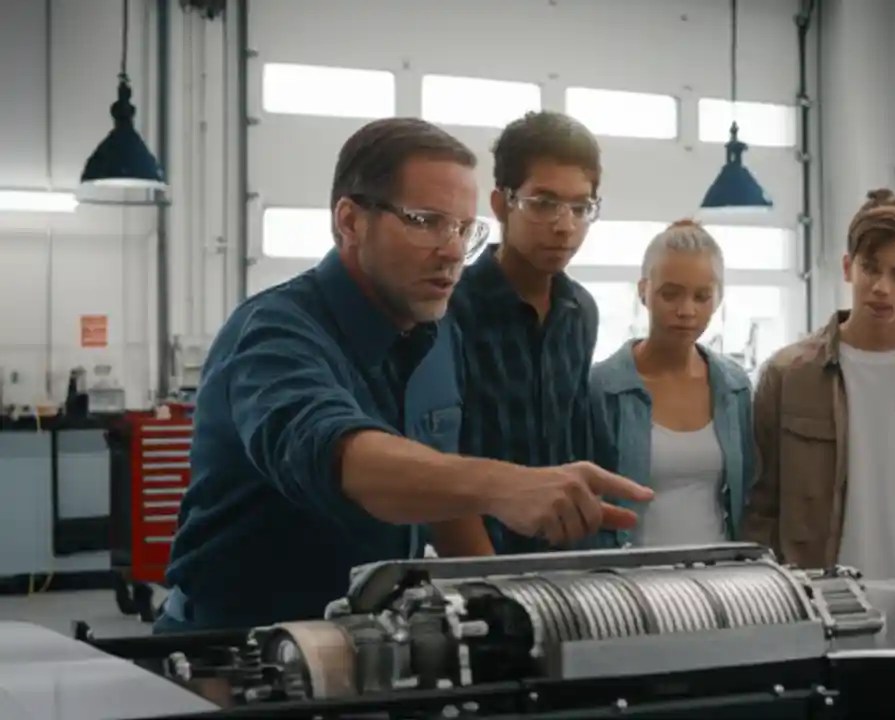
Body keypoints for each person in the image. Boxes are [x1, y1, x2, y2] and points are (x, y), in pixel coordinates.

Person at [156, 118, 651, 632]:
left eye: (463, 228)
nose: (453, 251)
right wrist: (504, 485)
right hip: (238, 648)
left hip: (366, 644)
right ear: (350, 221)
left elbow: (442, 494)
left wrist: (504, 609)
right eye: (425, 221)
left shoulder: (436, 333)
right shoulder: (274, 334)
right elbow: (338, 455)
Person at [742, 189, 895, 578]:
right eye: (870, 268)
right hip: (819, 596)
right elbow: (761, 505)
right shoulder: (787, 374)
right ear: (848, 267)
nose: (881, 287)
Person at [449, 111, 607, 554]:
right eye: (543, 203)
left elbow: (575, 438)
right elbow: (439, 455)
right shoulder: (452, 309)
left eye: (581, 208)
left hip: (564, 559)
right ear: (501, 204)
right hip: (476, 560)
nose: (565, 225)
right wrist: (483, 573)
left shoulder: (580, 311)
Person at [590, 220, 755, 547]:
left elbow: (747, 493)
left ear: (718, 299)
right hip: (631, 572)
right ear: (643, 291)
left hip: (719, 570)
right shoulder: (603, 388)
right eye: (670, 294)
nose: (686, 310)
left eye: (702, 296)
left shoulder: (734, 387)